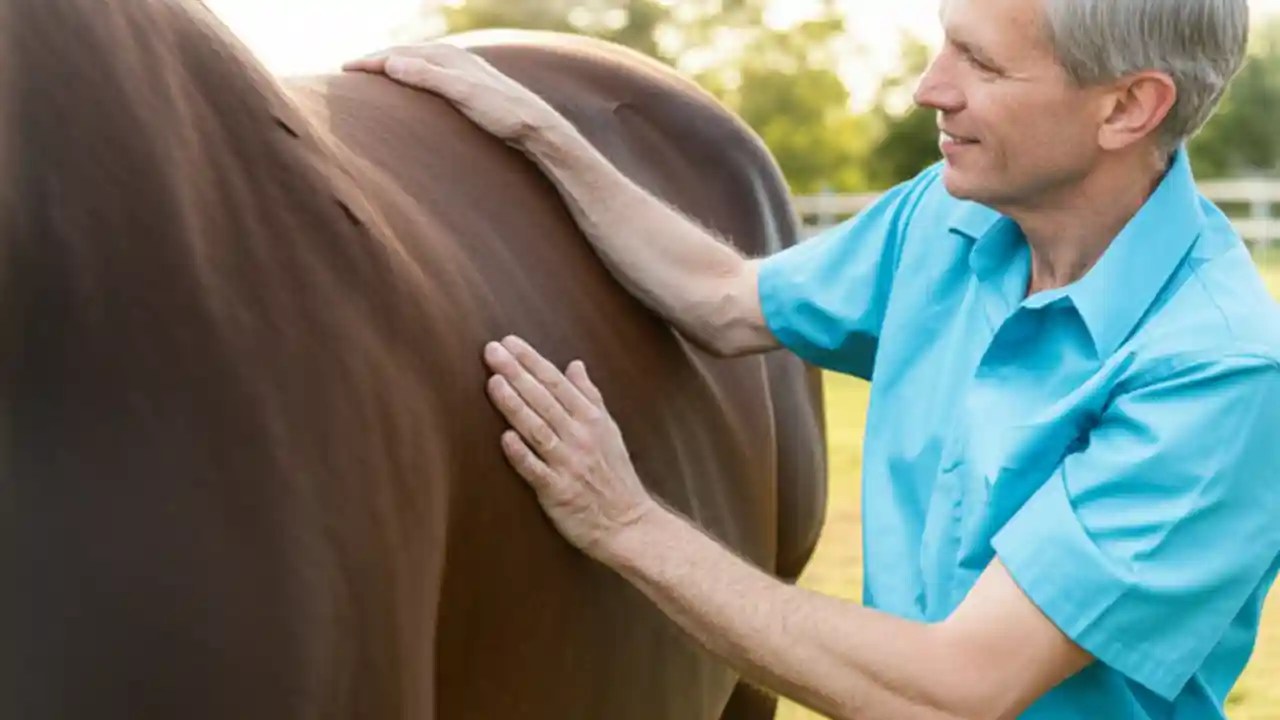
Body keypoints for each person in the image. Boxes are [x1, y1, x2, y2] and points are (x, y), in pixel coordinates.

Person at [345, 0, 1280, 716]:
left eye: (982, 63)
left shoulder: (1218, 376)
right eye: (944, 40)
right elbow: (719, 297)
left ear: (1129, 107)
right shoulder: (947, 217)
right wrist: (540, 132)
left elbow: (954, 694)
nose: (929, 88)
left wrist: (623, 520)